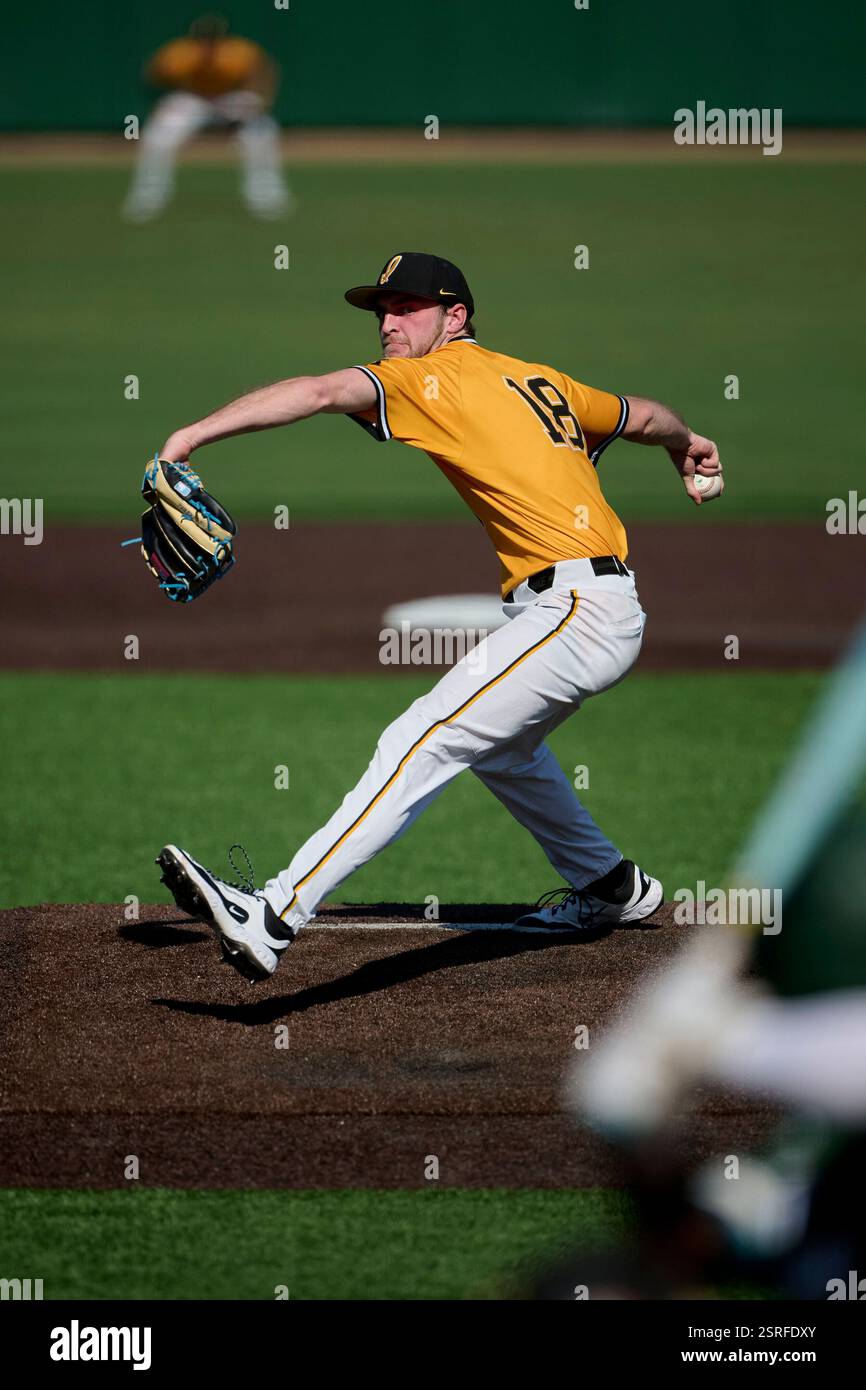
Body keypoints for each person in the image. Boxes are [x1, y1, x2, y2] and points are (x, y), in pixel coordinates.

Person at [155, 250, 723, 983]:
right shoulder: (541, 379)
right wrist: (687, 443)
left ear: (455, 318)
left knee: (423, 736)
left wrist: (188, 438)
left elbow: (319, 390)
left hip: (579, 613)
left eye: (407, 308)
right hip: (589, 608)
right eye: (381, 309)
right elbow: (643, 415)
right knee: (503, 751)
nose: (388, 322)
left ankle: (271, 917)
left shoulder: (433, 376)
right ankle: (612, 887)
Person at [122, 14, 291, 222]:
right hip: (193, 99)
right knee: (158, 138)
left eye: (212, 38)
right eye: (203, 38)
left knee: (262, 132)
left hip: (230, 98)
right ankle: (148, 196)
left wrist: (256, 105)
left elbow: (265, 73)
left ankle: (266, 196)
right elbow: (151, 75)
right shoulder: (179, 53)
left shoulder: (238, 52)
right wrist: (162, 102)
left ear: (222, 39)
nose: (207, 43)